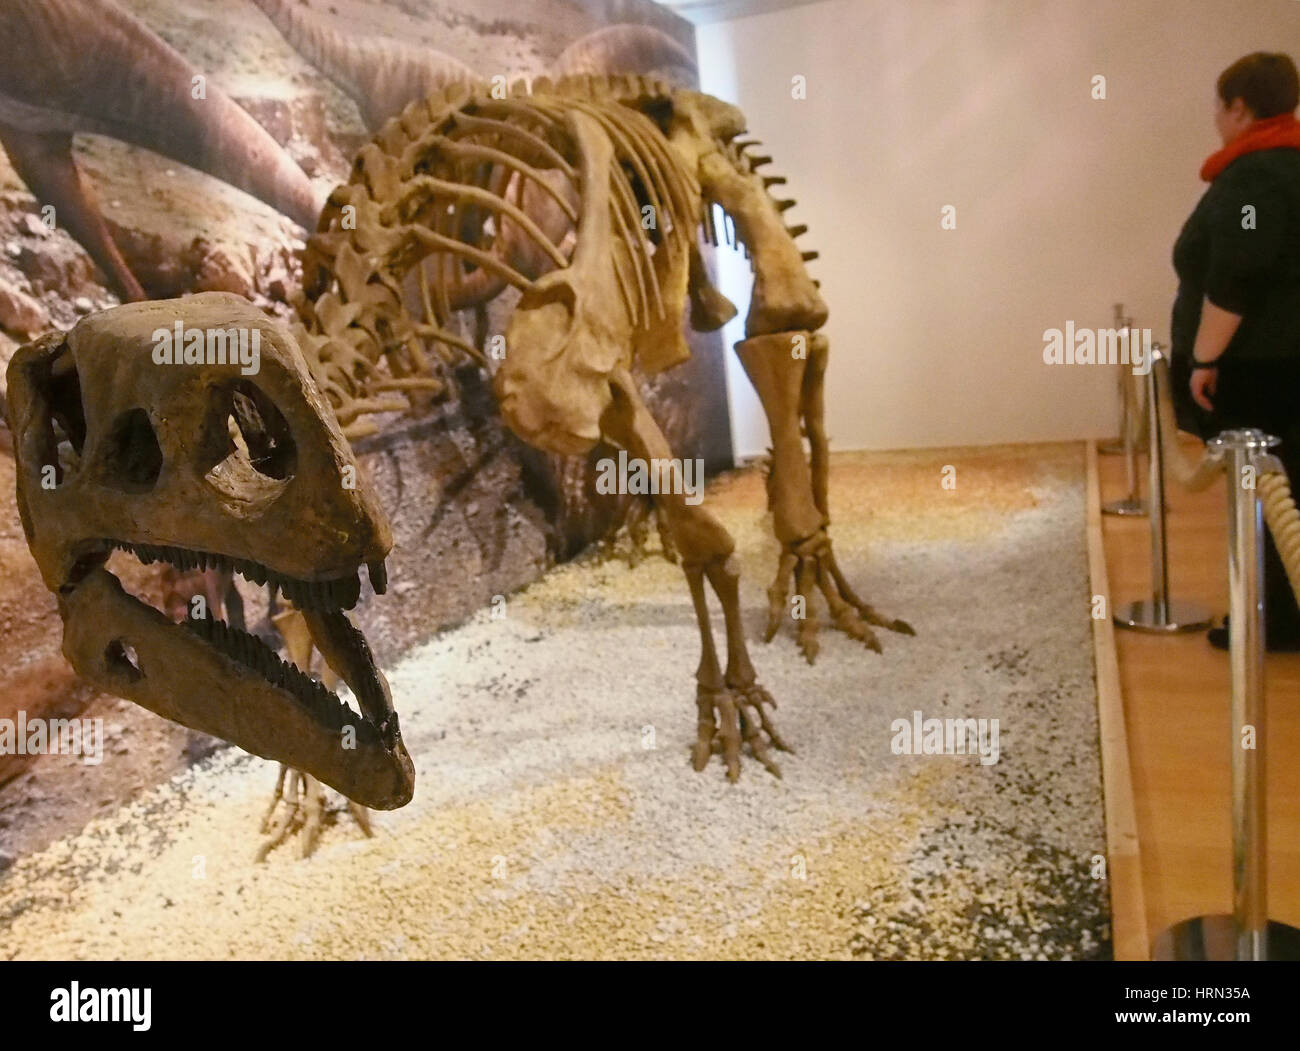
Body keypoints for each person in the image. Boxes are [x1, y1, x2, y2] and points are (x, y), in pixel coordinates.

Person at [1169, 51, 1300, 651]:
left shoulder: (1257, 176)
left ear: (1239, 106)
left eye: (1219, 108)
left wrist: (1204, 359)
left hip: (1260, 365)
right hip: (1280, 359)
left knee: (1273, 487)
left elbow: (1242, 266)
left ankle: (1276, 619)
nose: (1216, 120)